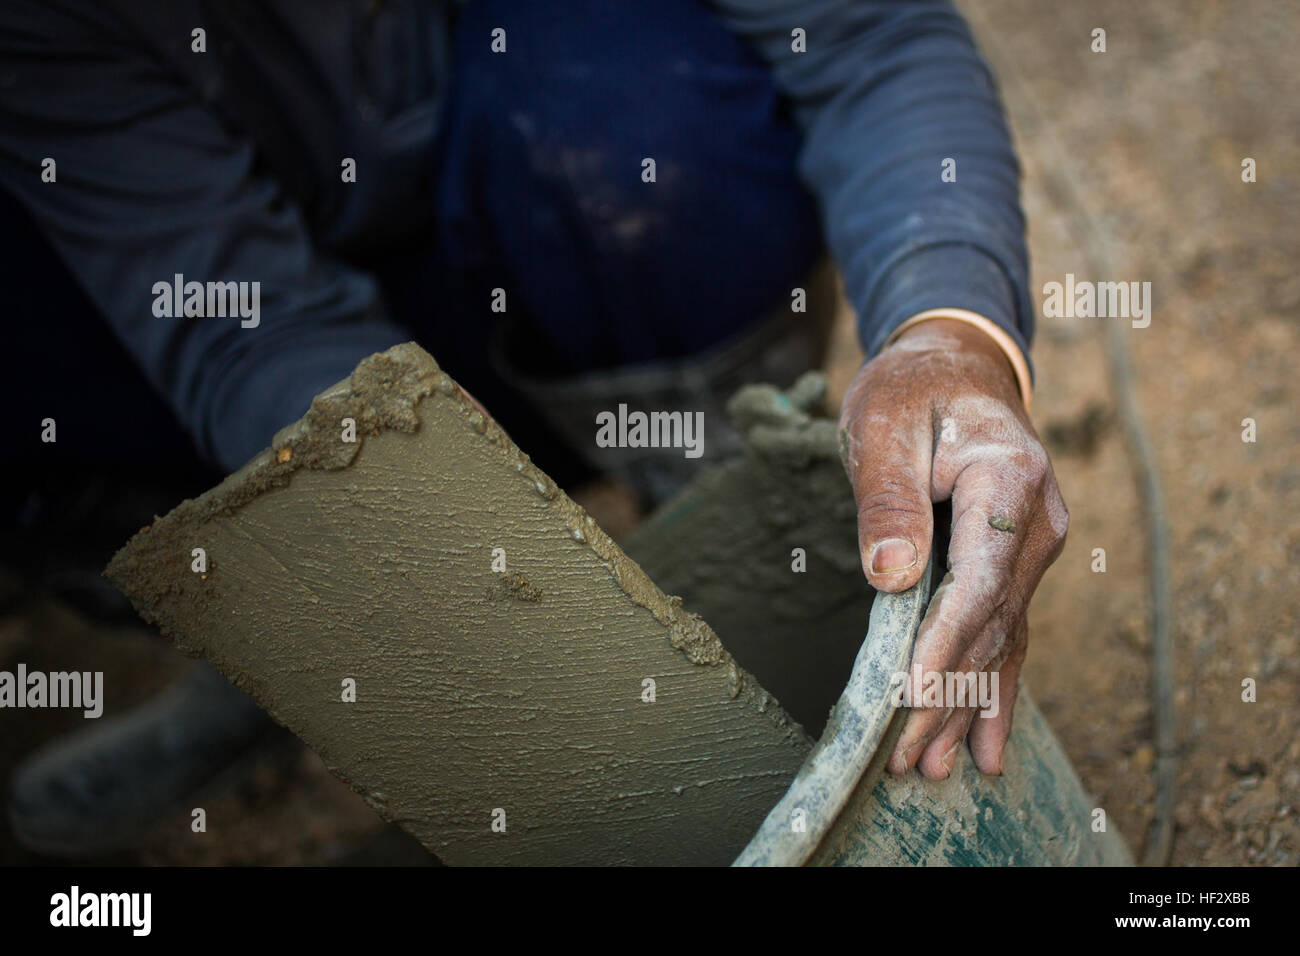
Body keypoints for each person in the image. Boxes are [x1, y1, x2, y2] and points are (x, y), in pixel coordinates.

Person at [0, 0, 1067, 855]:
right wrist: (376, 498)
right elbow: (228, 315)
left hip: (554, 202)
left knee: (630, 130)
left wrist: (951, 335)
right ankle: (292, 650)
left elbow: (867, 37)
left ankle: (722, 514)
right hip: (282, 282)